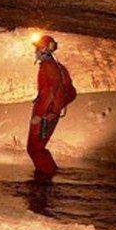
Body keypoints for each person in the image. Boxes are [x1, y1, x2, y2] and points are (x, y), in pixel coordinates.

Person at [27, 34, 75, 179]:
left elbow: (48, 93)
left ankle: (45, 180)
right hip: (51, 114)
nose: (35, 51)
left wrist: (39, 115)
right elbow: (72, 93)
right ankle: (50, 173)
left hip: (44, 115)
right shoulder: (60, 67)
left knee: (34, 148)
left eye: (37, 48)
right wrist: (57, 108)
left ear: (44, 49)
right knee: (39, 148)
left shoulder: (47, 67)